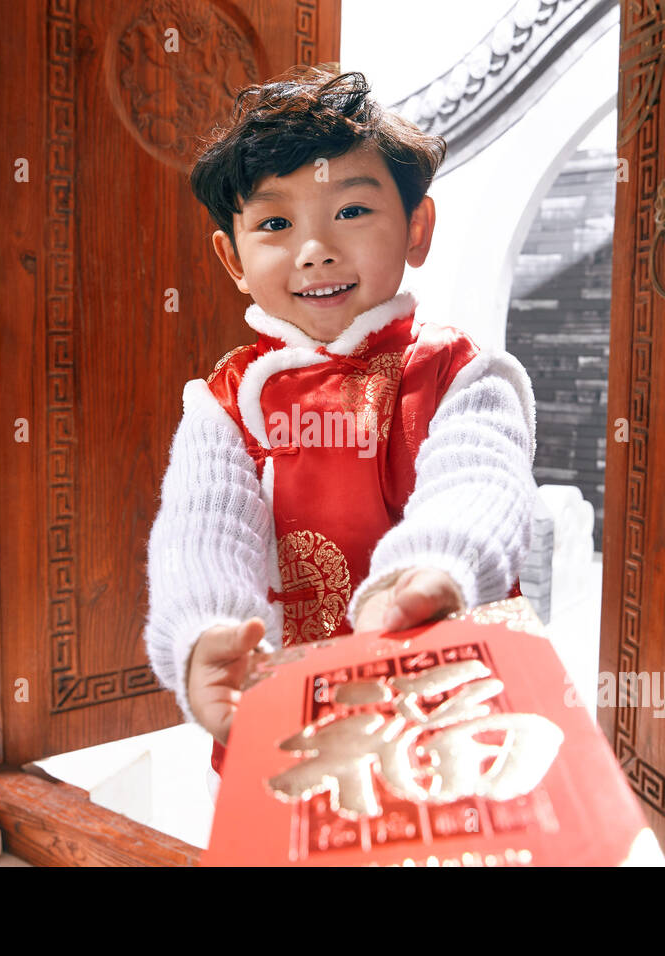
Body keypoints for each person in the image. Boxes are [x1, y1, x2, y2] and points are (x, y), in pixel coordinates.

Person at [141, 66, 538, 777]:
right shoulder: (226, 403)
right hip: (292, 703)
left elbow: (479, 481)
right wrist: (206, 633)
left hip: (443, 689)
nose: (315, 249)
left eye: (352, 212)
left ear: (417, 227)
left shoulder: (464, 373)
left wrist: (434, 569)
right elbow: (202, 529)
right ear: (232, 257)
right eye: (274, 223)